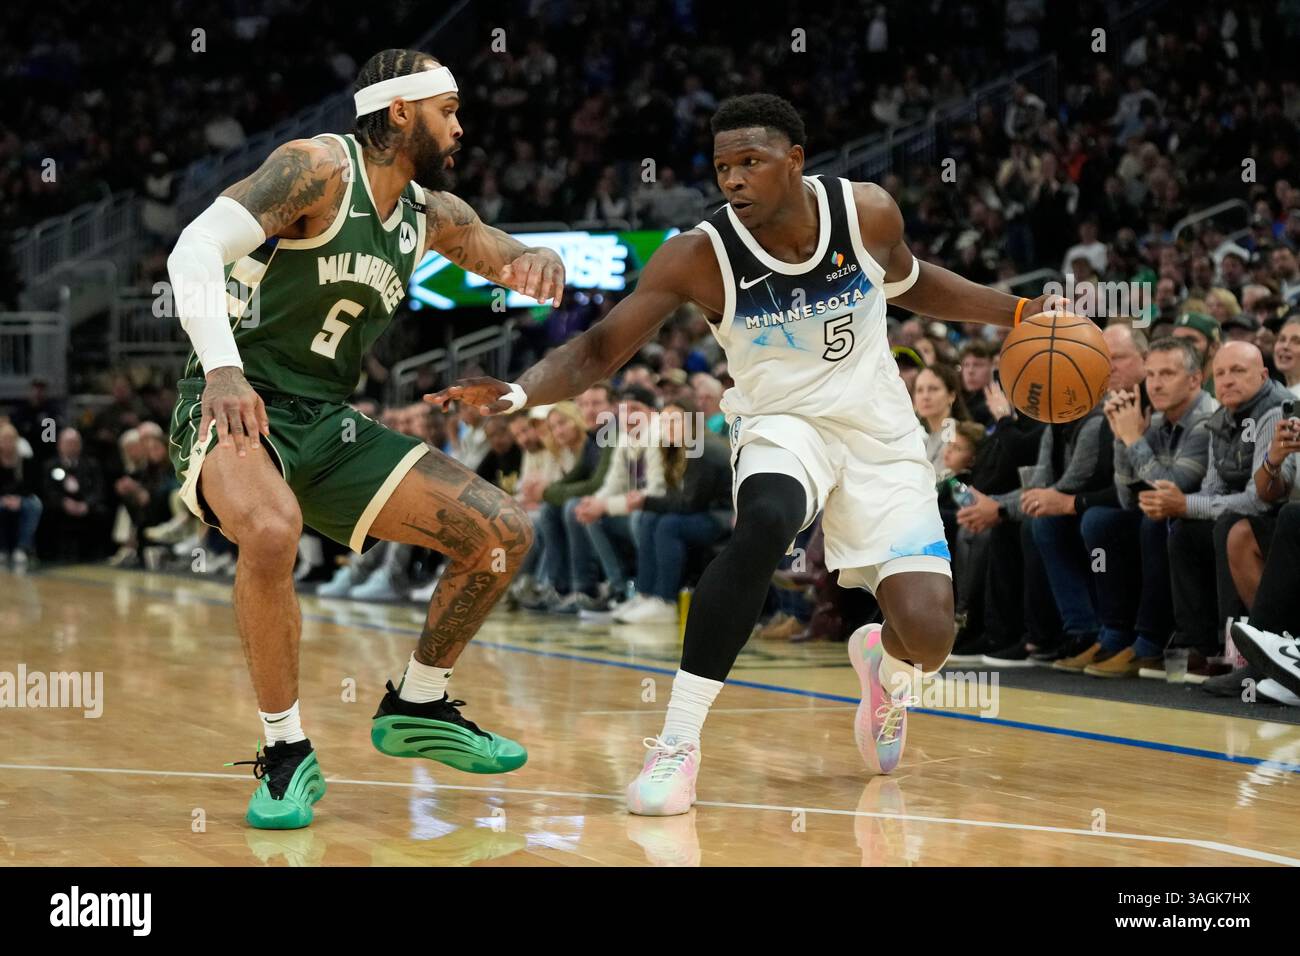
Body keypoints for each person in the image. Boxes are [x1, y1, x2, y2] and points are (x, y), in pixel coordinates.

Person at [432, 93, 1063, 815]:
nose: (732, 179)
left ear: (795, 161)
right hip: (781, 422)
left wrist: (1017, 312)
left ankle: (884, 667)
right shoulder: (698, 256)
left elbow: (912, 281)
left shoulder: (866, 211)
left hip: (878, 425)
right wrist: (518, 394)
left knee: (930, 634)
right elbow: (602, 346)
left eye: (750, 163)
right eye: (723, 166)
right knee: (765, 519)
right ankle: (677, 745)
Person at [164, 48, 565, 829]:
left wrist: (539, 257)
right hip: (235, 401)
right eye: (448, 110)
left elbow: (509, 258)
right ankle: (285, 750)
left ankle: (419, 702)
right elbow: (192, 249)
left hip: (327, 417)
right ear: (403, 110)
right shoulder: (317, 168)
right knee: (272, 531)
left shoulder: (430, 214)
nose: (460, 126)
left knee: (501, 532)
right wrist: (220, 369)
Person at [1060, 337, 1216, 677]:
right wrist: (1121, 439)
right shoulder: (1160, 420)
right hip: (1167, 517)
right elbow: (1127, 497)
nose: (1156, 383)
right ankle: (1114, 633)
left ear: (1194, 379)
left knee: (1154, 523)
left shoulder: (1206, 421)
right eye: (1152, 374)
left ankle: (1150, 642)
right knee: (1100, 522)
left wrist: (1133, 439)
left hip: (1201, 521)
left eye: (1168, 374)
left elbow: (1168, 488)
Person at [615, 398, 733, 624]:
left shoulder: (703, 450)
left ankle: (665, 601)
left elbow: (690, 504)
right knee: (649, 519)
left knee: (668, 525)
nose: (668, 426)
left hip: (722, 516)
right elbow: (676, 497)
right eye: (665, 421)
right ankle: (645, 593)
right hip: (702, 513)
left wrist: (646, 501)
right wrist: (646, 502)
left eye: (675, 421)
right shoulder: (678, 448)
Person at [912, 363, 968, 474]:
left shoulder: (955, 436)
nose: (925, 396)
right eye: (919, 390)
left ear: (951, 396)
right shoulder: (925, 439)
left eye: (933, 389)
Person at [0, 423, 41, 567]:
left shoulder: (25, 460)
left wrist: (18, 498)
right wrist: (5, 498)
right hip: (2, 498)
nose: (8, 443)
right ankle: (2, 548)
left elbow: (31, 485)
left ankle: (22, 548)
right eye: (4, 439)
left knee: (34, 505)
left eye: (11, 439)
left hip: (22, 498)